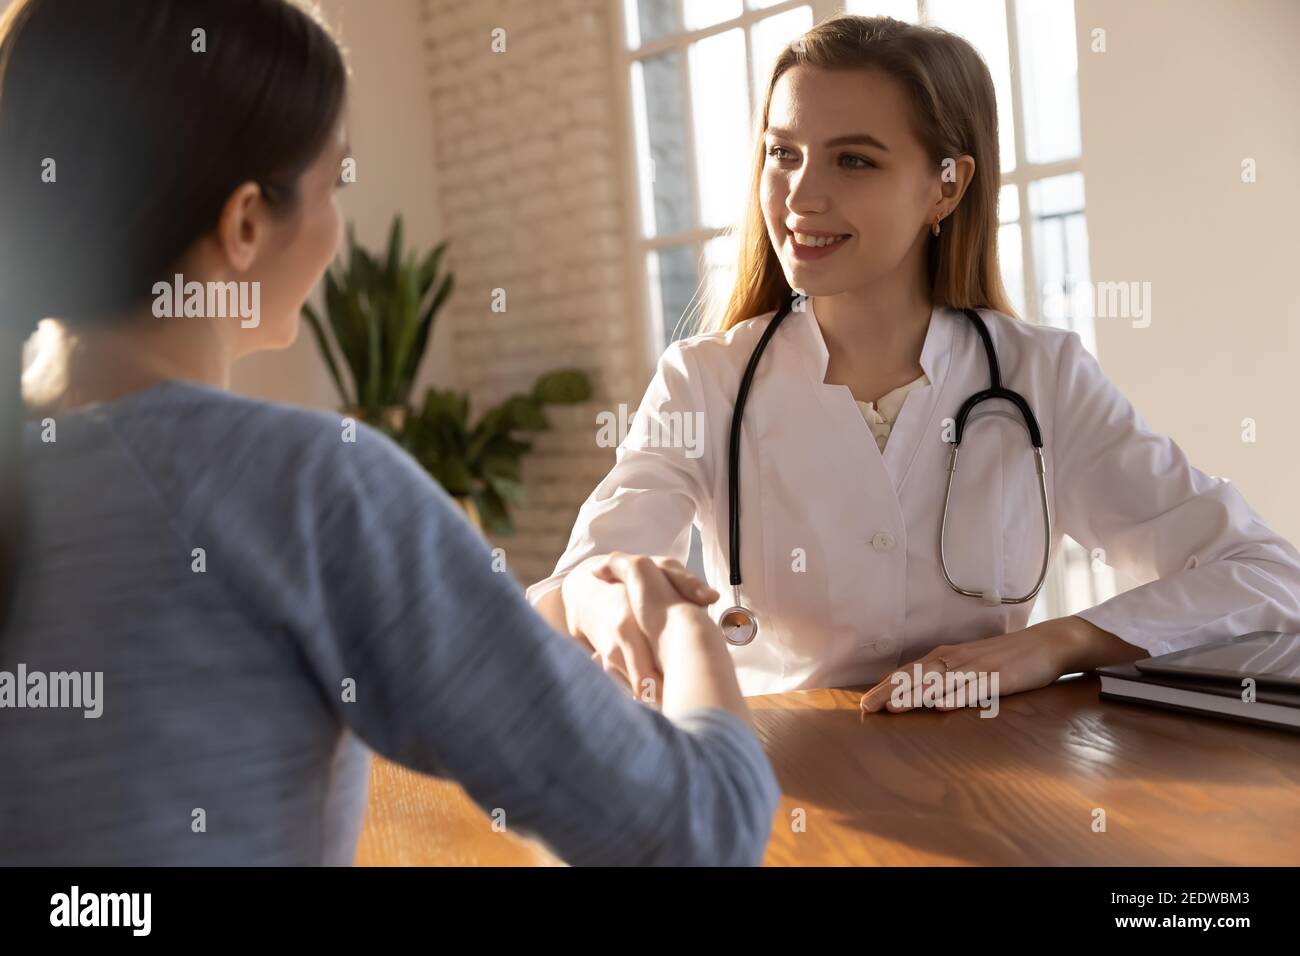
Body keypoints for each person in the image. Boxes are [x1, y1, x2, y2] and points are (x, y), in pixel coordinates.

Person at [0, 0, 778, 866]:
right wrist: (683, 628)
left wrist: (567, 600)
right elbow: (693, 829)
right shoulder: (306, 487)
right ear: (248, 223)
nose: (338, 227)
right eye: (334, 184)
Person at [527, 14, 1300, 709]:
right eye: (782, 154)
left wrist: (1051, 644)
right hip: (788, 784)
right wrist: (595, 593)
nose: (801, 196)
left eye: (853, 161)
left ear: (946, 185)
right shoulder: (705, 380)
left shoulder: (1043, 376)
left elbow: (1267, 576)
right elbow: (568, 597)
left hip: (997, 782)